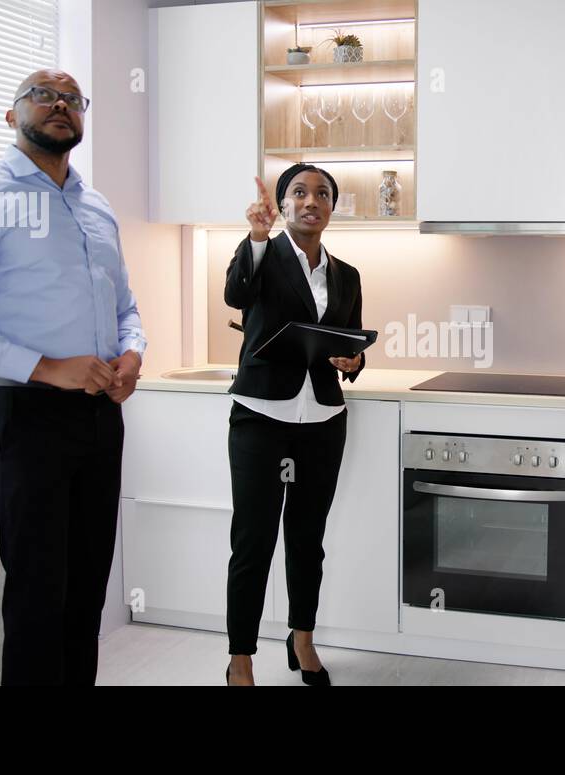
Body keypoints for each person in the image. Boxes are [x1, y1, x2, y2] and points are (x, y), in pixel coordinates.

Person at [0, 70, 145, 685]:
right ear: (10, 115)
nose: (60, 105)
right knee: (38, 597)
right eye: (44, 94)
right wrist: (46, 368)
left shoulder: (94, 205)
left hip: (99, 416)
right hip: (26, 416)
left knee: (88, 588)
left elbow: (125, 306)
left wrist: (133, 354)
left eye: (72, 98)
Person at [222, 165, 366, 686]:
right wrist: (257, 237)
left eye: (323, 194)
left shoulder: (347, 275)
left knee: (308, 539)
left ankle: (301, 638)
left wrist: (352, 362)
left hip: (323, 419)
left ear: (332, 207)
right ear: (282, 205)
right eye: (299, 192)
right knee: (253, 540)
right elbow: (237, 295)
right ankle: (241, 658)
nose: (312, 200)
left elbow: (351, 340)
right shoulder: (262, 254)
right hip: (263, 417)